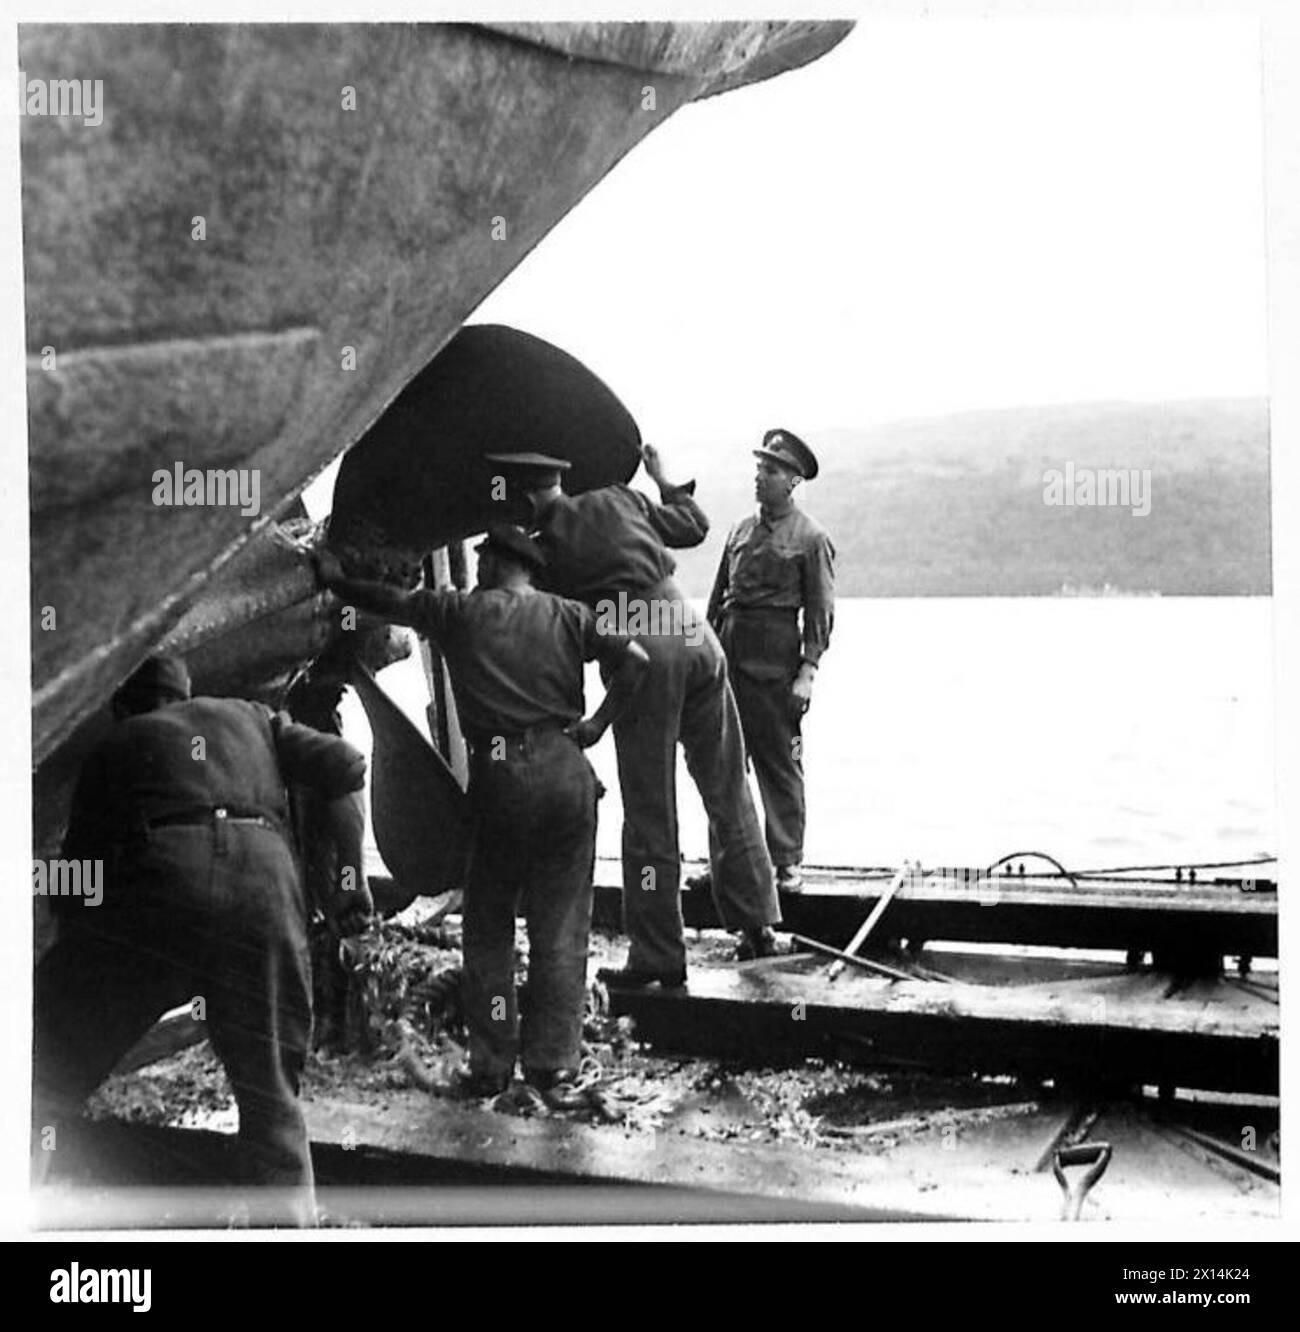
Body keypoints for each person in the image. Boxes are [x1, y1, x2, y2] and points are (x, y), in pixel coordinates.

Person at [316, 525, 649, 1105]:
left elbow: (391, 601)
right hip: (568, 769)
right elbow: (637, 659)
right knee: (562, 929)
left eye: (482, 558)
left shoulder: (461, 613)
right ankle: (553, 1066)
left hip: (502, 774)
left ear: (496, 562)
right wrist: (597, 723)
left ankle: (491, 1064)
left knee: (490, 929)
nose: (477, 567)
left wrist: (334, 579)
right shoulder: (571, 615)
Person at [33, 654, 369, 1227]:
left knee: (41, 1071)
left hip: (161, 880)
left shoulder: (115, 745)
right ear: (188, 695)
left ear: (121, 705)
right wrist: (351, 881)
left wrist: (66, 957)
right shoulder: (254, 716)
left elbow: (83, 881)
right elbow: (347, 767)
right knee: (273, 1102)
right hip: (263, 886)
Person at [486, 445, 781, 986]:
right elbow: (694, 525)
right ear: (559, 482)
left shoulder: (545, 553)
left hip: (646, 656)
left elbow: (542, 625)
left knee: (650, 817)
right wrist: (663, 479)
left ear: (525, 500)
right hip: (696, 635)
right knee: (728, 788)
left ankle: (658, 953)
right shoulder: (621, 498)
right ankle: (758, 923)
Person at [706, 428, 835, 893]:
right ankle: (728, 862)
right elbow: (718, 598)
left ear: (793, 481)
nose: (760, 477)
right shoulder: (739, 530)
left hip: (776, 663)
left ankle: (786, 863)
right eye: (760, 468)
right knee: (723, 763)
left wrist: (807, 672)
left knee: (781, 761)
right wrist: (707, 657)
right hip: (730, 653)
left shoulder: (811, 538)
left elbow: (820, 610)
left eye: (772, 471)